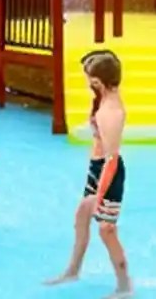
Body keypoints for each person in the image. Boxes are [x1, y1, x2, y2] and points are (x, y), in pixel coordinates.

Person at [45, 50, 132, 298]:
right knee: (81, 216)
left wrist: (100, 195)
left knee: (106, 230)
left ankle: (125, 286)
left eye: (90, 79)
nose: (87, 84)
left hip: (109, 173)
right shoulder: (104, 98)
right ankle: (73, 271)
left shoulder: (110, 113)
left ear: (98, 81)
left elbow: (112, 160)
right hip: (97, 169)